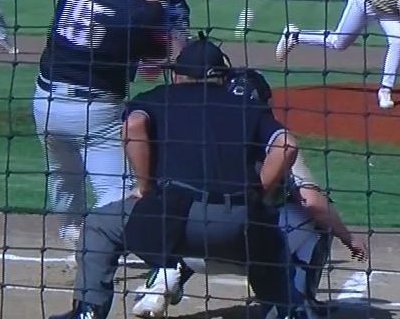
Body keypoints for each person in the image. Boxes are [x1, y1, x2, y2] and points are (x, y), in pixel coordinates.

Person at [48, 36, 305, 319]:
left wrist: (144, 186)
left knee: (100, 226)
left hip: (173, 219)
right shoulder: (247, 106)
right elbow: (287, 145)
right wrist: (256, 195)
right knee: (270, 247)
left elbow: (133, 126)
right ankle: (290, 313)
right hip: (238, 224)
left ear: (176, 75)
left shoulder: (157, 98)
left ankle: (88, 312)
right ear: (223, 78)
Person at [131, 67, 368, 319]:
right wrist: (349, 238)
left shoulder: (190, 134)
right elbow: (311, 202)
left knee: (180, 207)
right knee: (319, 219)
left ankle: (160, 282)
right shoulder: (273, 139)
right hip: (251, 248)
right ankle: (294, 303)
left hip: (186, 248)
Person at [32, 0, 175, 262]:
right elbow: (152, 69)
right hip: (95, 110)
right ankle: (95, 250)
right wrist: (171, 27)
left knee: (63, 177)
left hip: (44, 102)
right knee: (117, 191)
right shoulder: (143, 11)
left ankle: (71, 232)